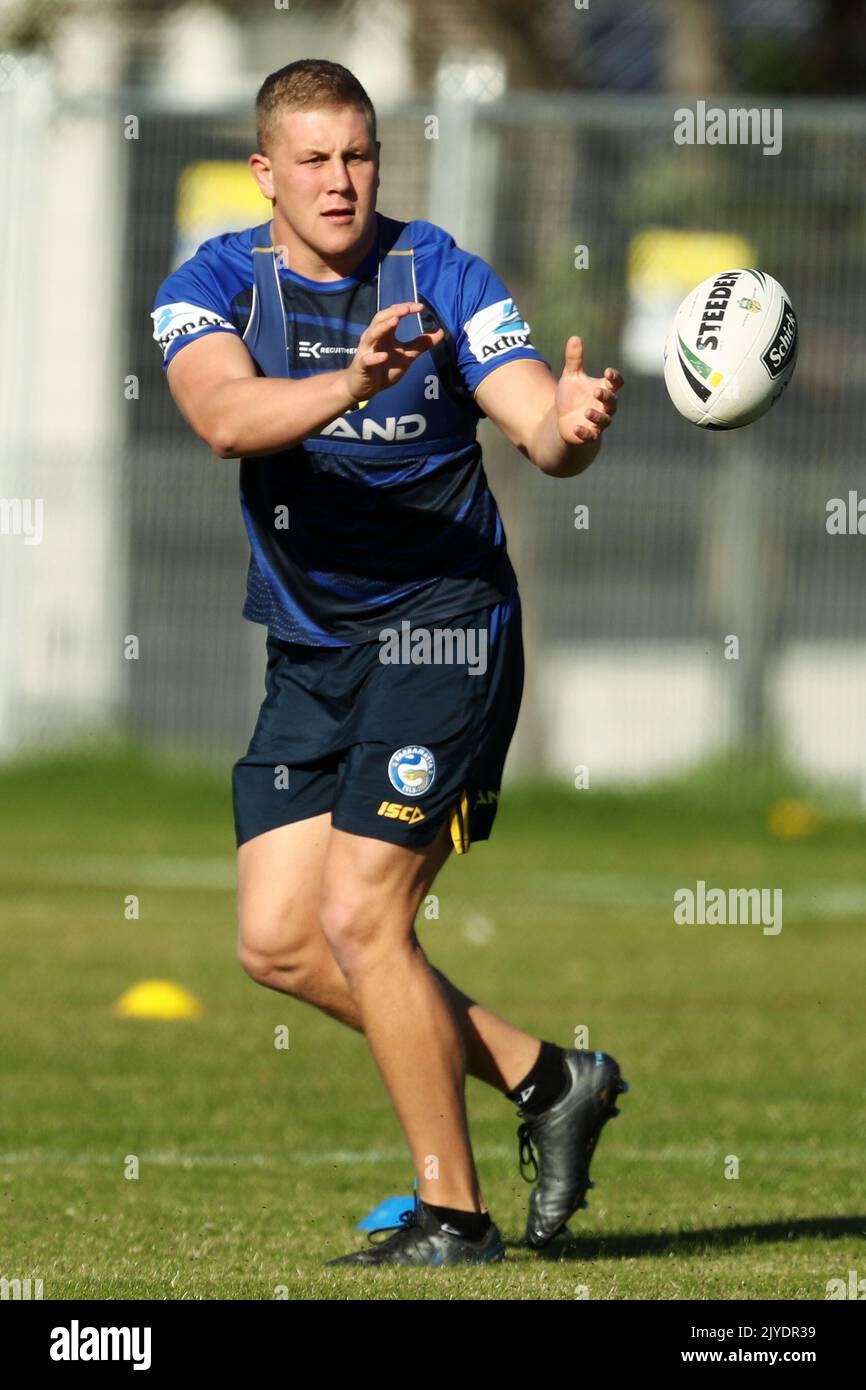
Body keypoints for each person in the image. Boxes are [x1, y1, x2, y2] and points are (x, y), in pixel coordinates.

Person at [151, 58, 626, 1267]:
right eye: (311, 159)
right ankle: (547, 1076)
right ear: (266, 172)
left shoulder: (442, 275)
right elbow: (221, 417)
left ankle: (452, 1219)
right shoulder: (212, 283)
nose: (339, 180)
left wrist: (562, 429)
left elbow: (529, 415)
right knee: (278, 942)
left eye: (358, 154)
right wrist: (345, 381)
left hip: (443, 631)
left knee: (363, 916)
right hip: (311, 647)